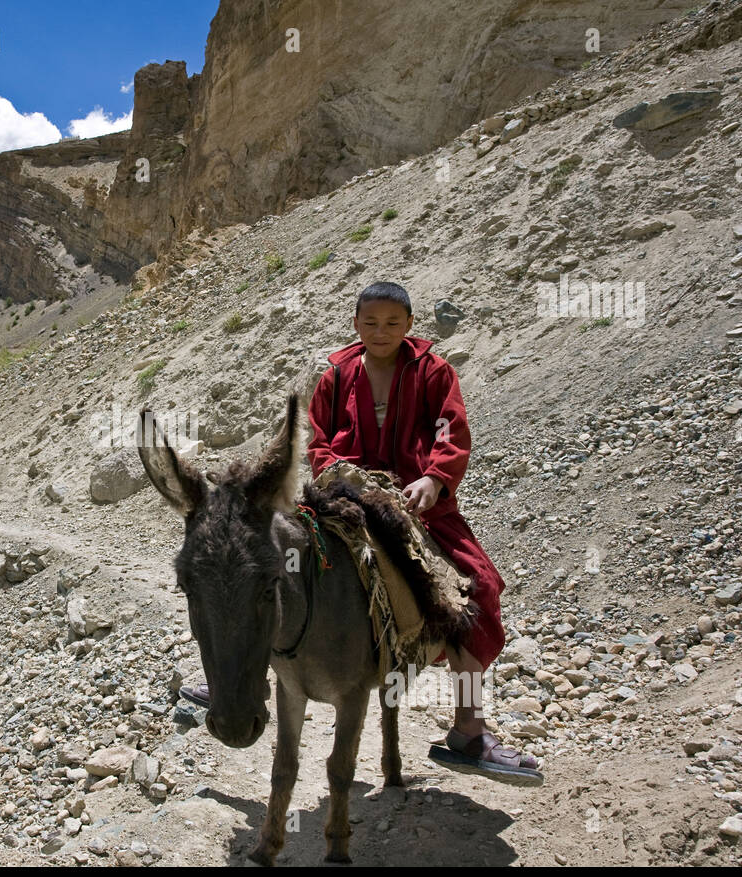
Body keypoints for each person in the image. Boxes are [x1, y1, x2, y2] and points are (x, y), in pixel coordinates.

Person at [180, 281, 541, 785]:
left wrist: (434, 479)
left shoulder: (434, 373)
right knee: (266, 563)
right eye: (370, 323)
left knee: (476, 588)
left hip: (416, 502)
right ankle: (237, 684)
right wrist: (333, 471)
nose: (381, 332)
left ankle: (468, 730)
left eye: (393, 323)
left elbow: (450, 432)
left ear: (410, 326)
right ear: (355, 324)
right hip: (343, 495)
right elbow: (320, 439)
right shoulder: (337, 377)